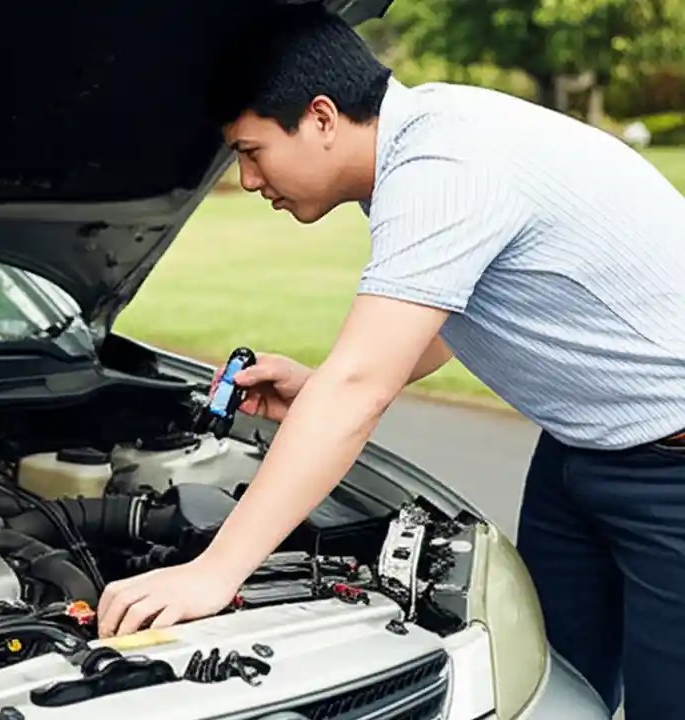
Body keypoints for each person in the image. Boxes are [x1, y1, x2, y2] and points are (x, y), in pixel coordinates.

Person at [93, 4, 685, 718]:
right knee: (547, 689)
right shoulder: (421, 147)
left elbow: (357, 391)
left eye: (250, 151)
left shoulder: (445, 164)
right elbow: (450, 316)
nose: (248, 181)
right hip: (576, 450)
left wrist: (214, 573)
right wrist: (318, 387)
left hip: (671, 472)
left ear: (319, 117)